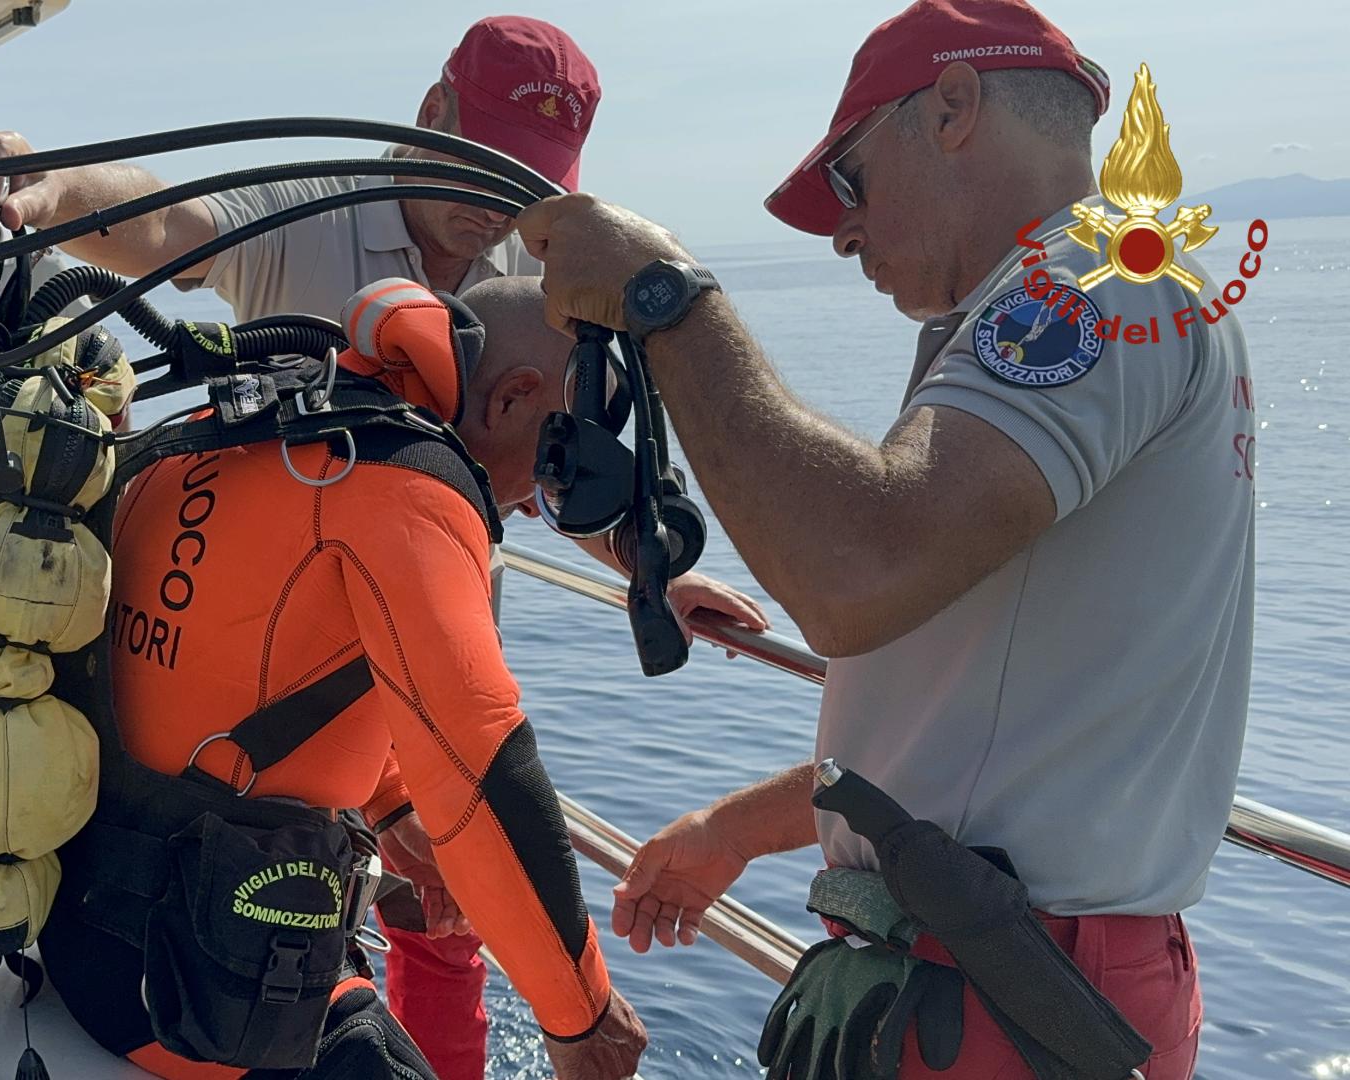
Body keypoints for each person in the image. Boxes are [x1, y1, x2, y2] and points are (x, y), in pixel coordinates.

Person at [0, 16, 767, 1078]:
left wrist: (649, 572)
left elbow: (518, 460)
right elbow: (159, 221)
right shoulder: (351, 331)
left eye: (523, 182)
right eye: (480, 160)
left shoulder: (486, 296)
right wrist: (31, 188)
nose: (495, 201)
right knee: (464, 841)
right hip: (193, 976)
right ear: (430, 120)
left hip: (110, 915)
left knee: (438, 894)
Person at [514, 1, 1249, 1077]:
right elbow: (978, 725)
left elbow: (858, 574)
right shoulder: (1096, 297)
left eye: (849, 183)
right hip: (1003, 975)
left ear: (954, 106)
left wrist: (666, 304)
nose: (843, 233)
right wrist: (733, 830)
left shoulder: (1090, 287)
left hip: (1004, 995)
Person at [40, 275, 647, 1080]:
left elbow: (237, 662)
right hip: (204, 1002)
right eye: (557, 461)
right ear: (512, 398)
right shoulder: (409, 480)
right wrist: (583, 1015)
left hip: (84, 941)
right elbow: (482, 766)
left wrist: (392, 801)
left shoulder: (223, 426)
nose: (540, 506)